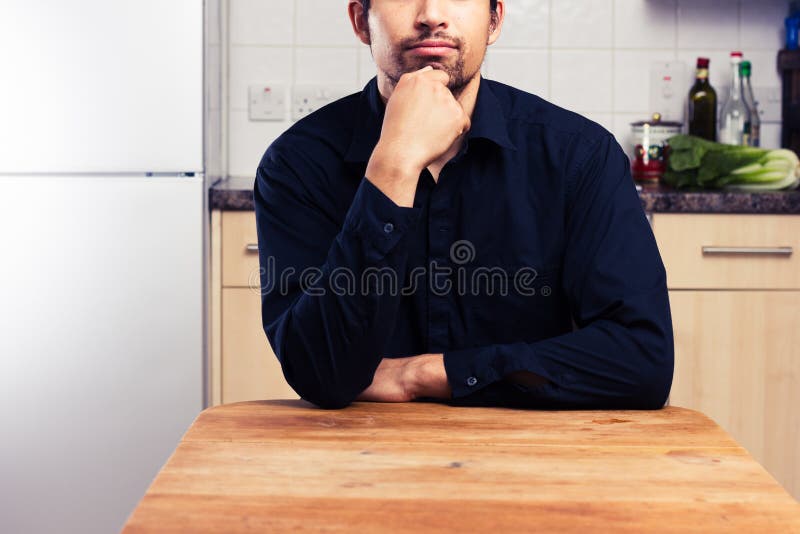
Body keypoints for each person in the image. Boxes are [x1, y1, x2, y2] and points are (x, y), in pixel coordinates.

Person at [253, 0, 673, 410]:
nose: (431, 15)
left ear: (494, 19)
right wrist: (394, 166)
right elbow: (319, 373)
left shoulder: (579, 156)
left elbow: (642, 361)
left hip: (533, 456)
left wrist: (423, 375)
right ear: (362, 20)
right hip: (357, 462)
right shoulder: (297, 164)